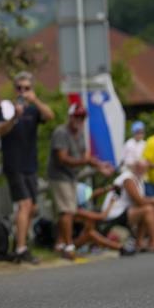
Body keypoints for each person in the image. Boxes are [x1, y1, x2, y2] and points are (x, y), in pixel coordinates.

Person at [0, 71, 54, 263]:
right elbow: (0, 130)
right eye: (19, 88)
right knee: (25, 204)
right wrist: (14, 117)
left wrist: (35, 100)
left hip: (30, 164)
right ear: (15, 90)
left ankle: (19, 242)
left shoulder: (34, 109)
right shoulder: (6, 107)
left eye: (26, 88)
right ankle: (21, 249)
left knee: (33, 207)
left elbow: (50, 116)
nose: (22, 91)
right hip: (13, 163)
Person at [46, 102, 113, 260]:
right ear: (70, 117)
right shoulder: (61, 133)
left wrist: (100, 165)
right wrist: (86, 162)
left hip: (71, 177)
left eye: (82, 118)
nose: (79, 120)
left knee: (68, 211)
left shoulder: (80, 133)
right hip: (59, 176)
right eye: (77, 117)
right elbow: (63, 159)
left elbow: (85, 157)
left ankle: (60, 244)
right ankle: (69, 246)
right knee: (67, 211)